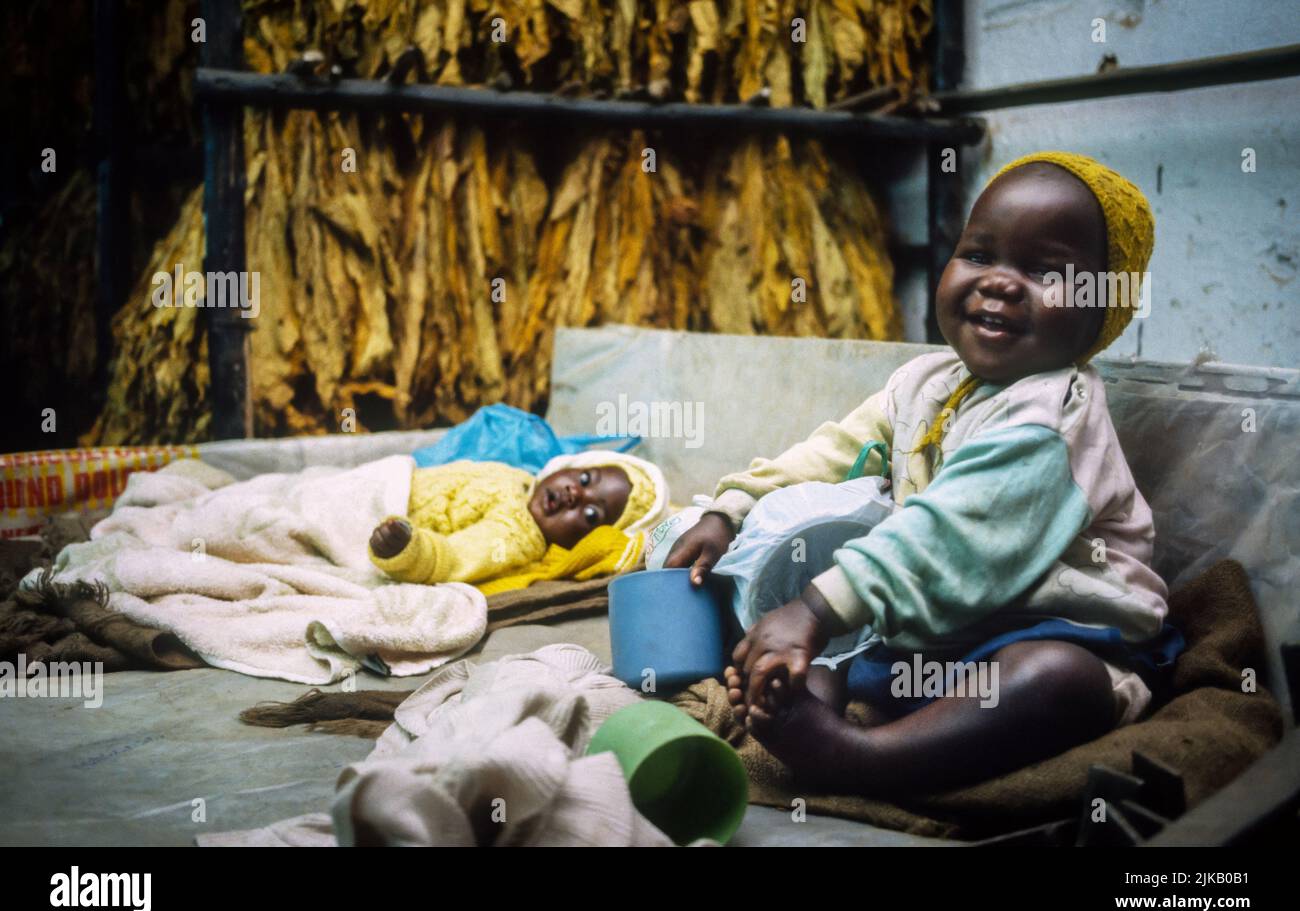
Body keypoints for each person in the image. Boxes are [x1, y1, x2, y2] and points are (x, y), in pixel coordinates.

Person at [666, 151, 1182, 794]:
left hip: (1056, 632)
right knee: (824, 663)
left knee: (1052, 680)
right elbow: (829, 452)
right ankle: (794, 715)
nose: (999, 282)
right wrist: (730, 508)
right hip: (933, 642)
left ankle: (865, 758)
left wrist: (815, 608)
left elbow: (956, 534)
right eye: (979, 254)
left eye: (1045, 271)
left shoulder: (1055, 416)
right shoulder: (925, 383)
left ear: (1104, 307)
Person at [369, 451, 667, 589]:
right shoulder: (522, 480)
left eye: (592, 514)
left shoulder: (517, 536)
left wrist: (405, 548)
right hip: (389, 477)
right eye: (586, 478)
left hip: (378, 511)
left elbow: (453, 558)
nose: (575, 493)